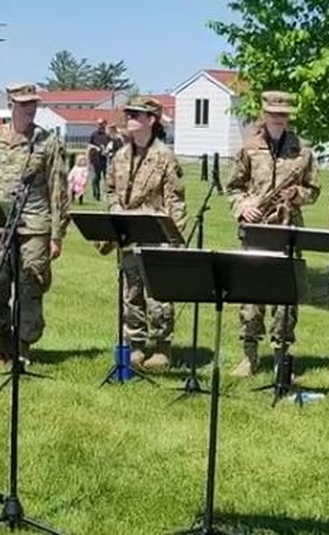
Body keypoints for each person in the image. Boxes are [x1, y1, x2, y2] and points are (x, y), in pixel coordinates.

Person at [224, 91, 320, 378]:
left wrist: (298, 194)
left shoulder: (302, 150)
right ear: (264, 114)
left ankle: (281, 356)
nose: (278, 118)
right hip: (255, 231)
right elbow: (232, 187)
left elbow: (314, 190)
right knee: (251, 297)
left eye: (283, 114)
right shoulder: (249, 147)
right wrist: (244, 206)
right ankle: (249, 355)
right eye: (273, 113)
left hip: (288, 230)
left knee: (285, 299)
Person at [0, 82, 70, 367]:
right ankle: (3, 336)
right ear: (10, 104)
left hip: (35, 225)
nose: (30, 108)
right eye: (24, 103)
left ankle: (23, 343)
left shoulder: (47, 141)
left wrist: (57, 234)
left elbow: (59, 190)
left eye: (34, 103)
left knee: (31, 284)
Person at [103, 96, 187, 371]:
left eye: (137, 115)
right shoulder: (120, 155)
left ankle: (162, 348)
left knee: (158, 295)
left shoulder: (164, 157)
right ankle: (136, 345)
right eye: (128, 114)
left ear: (151, 120)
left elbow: (175, 201)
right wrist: (116, 209)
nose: (130, 119)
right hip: (128, 233)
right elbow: (111, 189)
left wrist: (175, 240)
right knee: (132, 292)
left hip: (157, 234)